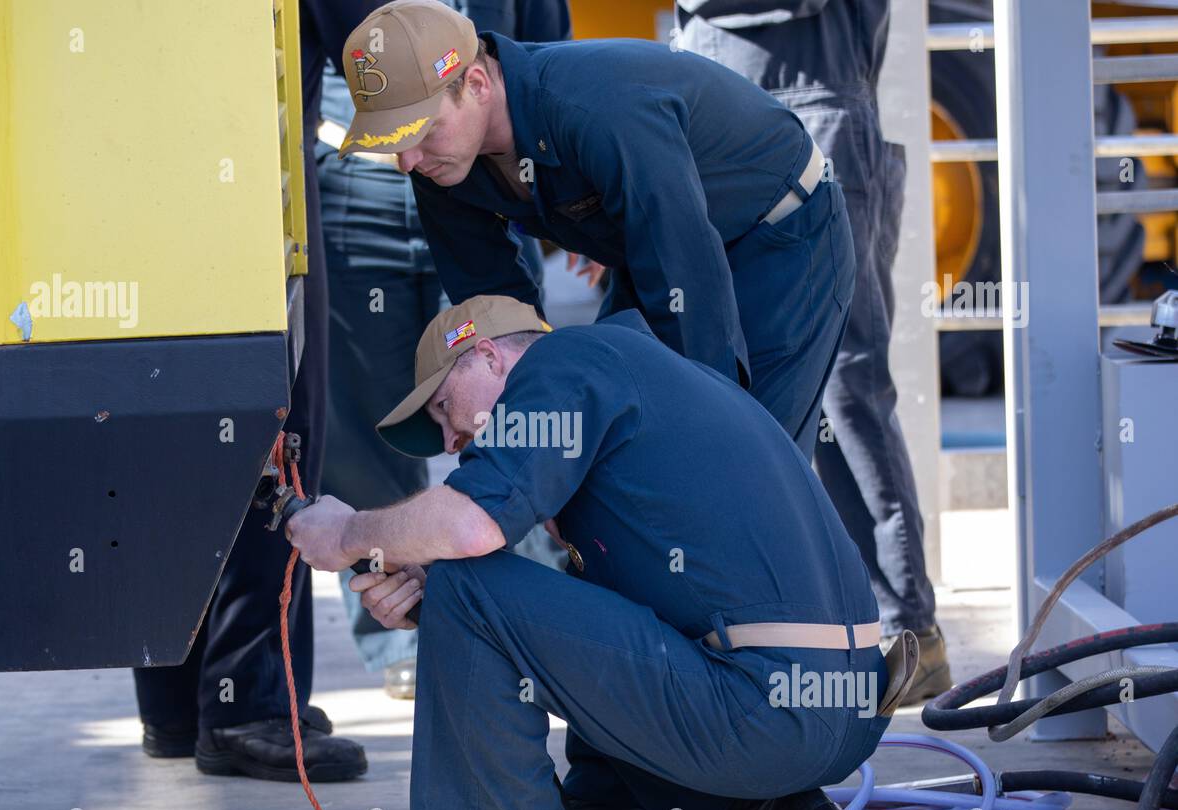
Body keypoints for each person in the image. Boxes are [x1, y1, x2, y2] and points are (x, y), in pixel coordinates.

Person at [286, 294, 892, 810]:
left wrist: (349, 534)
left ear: (489, 356)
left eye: (445, 408)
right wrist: (434, 603)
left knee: (466, 584)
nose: (450, 442)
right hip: (839, 706)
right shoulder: (651, 377)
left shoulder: (565, 361)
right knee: (479, 593)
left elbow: (471, 529)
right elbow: (592, 633)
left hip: (767, 712)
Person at [337, 0, 854, 459]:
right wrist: (525, 447)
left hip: (779, 238)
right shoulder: (436, 163)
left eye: (422, 130)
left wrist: (706, 435)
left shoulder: (596, 107)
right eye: (393, 139)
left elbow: (688, 285)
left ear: (475, 84)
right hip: (657, 254)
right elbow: (500, 318)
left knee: (742, 461)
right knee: (616, 448)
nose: (406, 160)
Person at [130, 0, 382, 782]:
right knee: (273, 434)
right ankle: (247, 705)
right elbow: (378, 45)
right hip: (249, 185)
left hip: (115, 184)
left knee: (156, 423)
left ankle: (177, 702)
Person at [674, 0, 949, 702]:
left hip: (813, 115)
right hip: (711, 119)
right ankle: (767, 628)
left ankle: (905, 632)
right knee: (718, 385)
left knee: (845, 387)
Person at [315, 0, 571, 700]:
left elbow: (542, 51)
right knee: (369, 426)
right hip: (355, 185)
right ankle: (399, 630)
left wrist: (569, 201)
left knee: (516, 396)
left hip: (483, 185)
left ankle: (545, 612)